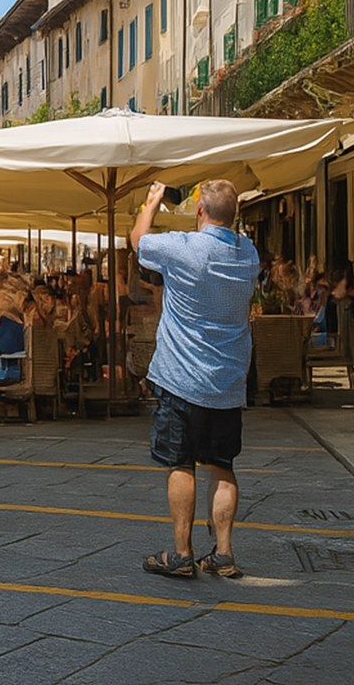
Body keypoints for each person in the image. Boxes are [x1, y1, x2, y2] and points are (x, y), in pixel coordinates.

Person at [132, 180, 259, 580]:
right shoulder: (248, 254)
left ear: (200, 212)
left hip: (182, 378)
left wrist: (151, 204)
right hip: (227, 380)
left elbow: (139, 242)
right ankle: (223, 553)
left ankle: (182, 553)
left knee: (180, 463)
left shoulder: (184, 247)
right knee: (222, 466)